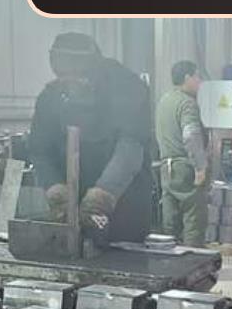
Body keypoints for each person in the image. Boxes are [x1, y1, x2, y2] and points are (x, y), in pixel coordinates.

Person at [28, 32, 153, 245]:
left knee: (122, 258)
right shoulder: (51, 96)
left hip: (124, 202)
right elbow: (40, 150)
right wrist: (56, 191)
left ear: (91, 66)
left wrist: (101, 197)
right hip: (74, 206)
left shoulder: (127, 87)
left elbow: (130, 148)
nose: (71, 83)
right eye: (64, 76)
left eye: (77, 77)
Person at [155, 60, 209, 247]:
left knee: (170, 221)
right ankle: (194, 260)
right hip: (185, 168)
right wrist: (200, 167)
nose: (199, 81)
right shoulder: (187, 103)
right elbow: (191, 135)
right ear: (187, 78)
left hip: (166, 168)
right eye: (197, 77)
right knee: (194, 220)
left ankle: (168, 258)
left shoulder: (164, 101)